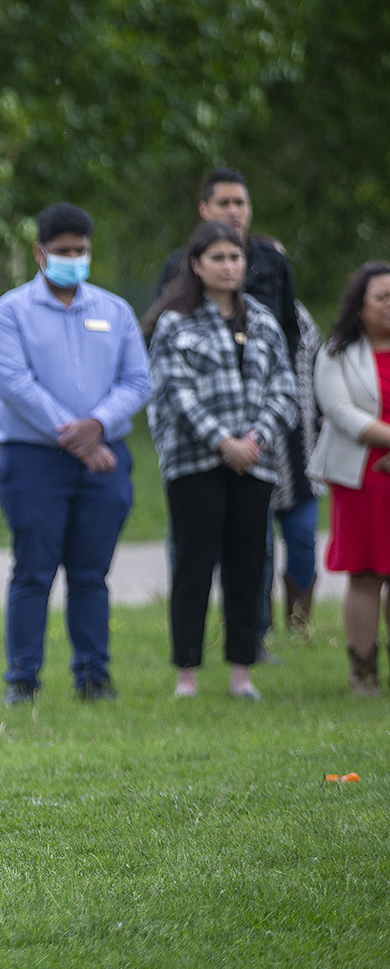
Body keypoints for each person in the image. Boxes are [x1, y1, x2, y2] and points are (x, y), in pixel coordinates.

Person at [0, 203, 152, 705]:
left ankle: (94, 677)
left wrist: (98, 425)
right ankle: (23, 679)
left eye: (81, 251)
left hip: (106, 457)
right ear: (40, 253)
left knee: (90, 574)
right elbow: (15, 384)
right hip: (33, 460)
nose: (74, 259)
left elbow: (138, 380)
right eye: (63, 252)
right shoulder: (10, 312)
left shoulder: (114, 311)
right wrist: (78, 438)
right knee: (33, 569)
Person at [152, 168, 318, 641]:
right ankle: (191, 646)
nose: (234, 211)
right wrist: (222, 438)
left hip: (262, 431)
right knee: (194, 548)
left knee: (256, 540)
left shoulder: (272, 265)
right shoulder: (177, 276)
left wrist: (258, 430)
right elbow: (170, 378)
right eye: (223, 203)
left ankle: (255, 636)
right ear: (204, 211)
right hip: (198, 442)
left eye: (241, 203)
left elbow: (288, 341)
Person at [145, 221, 298, 700]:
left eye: (236, 258)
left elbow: (285, 389)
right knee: (193, 565)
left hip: (255, 462)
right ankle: (187, 674)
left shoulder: (263, 320)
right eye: (218, 258)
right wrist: (222, 442)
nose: (229, 267)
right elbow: (175, 393)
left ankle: (242, 673)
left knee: (247, 565)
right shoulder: (175, 323)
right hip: (195, 463)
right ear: (196, 265)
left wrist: (254, 438)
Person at [308, 261, 390, 695]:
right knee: (365, 573)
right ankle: (363, 672)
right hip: (363, 479)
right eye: (383, 297)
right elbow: (339, 413)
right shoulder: (336, 352)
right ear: (360, 306)